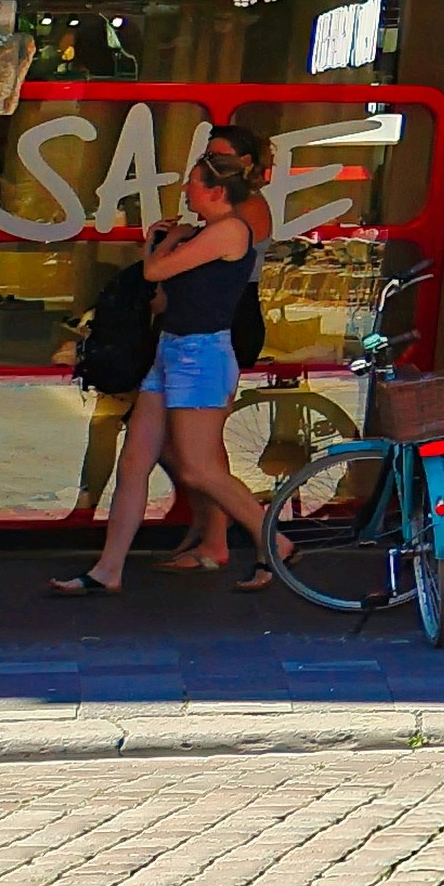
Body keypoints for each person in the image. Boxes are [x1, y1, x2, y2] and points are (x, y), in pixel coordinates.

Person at [65, 134, 281, 597]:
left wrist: (163, 245)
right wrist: (162, 244)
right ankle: (108, 569)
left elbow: (154, 273)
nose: (186, 189)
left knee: (199, 470)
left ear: (216, 192)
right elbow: (162, 291)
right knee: (135, 459)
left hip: (201, 356)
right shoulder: (206, 233)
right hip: (172, 351)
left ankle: (275, 542)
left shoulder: (229, 230)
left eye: (194, 183)